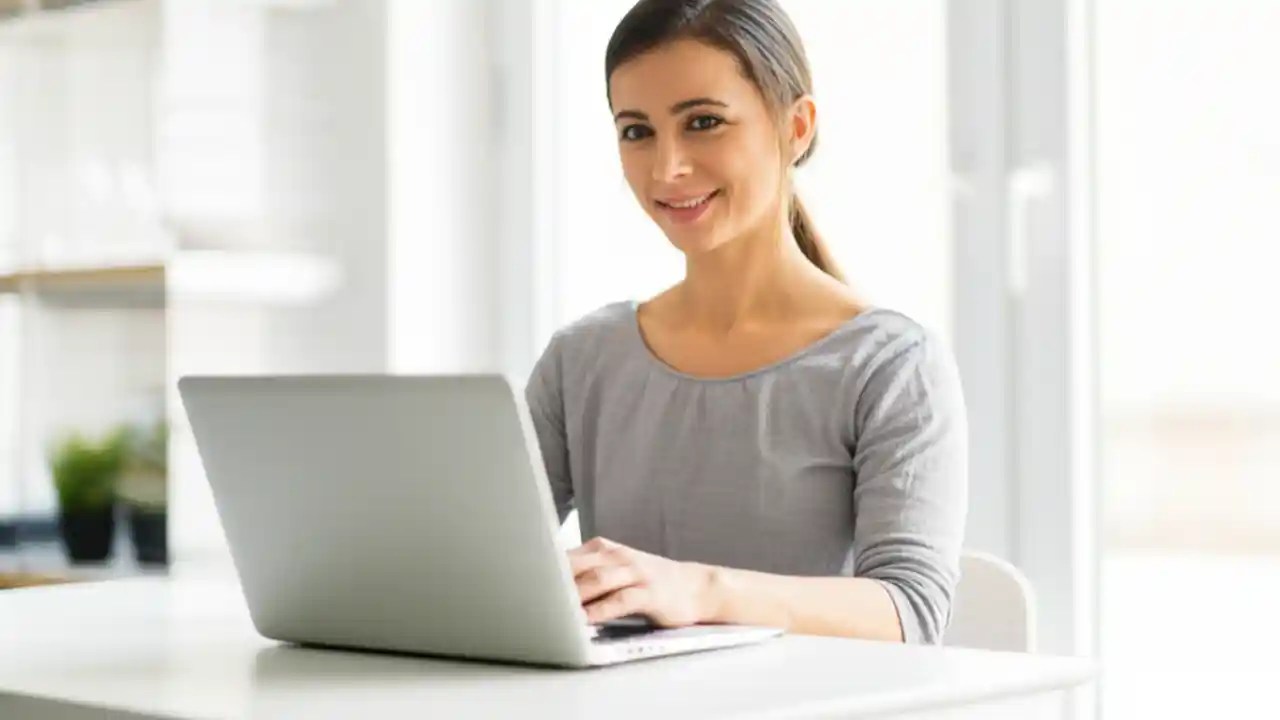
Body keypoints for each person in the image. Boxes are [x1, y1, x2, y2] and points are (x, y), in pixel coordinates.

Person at [525, 0, 968, 645]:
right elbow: (485, 567)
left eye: (703, 122)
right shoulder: (581, 360)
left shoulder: (890, 364)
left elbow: (910, 612)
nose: (666, 167)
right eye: (636, 131)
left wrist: (699, 591)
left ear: (797, 127)